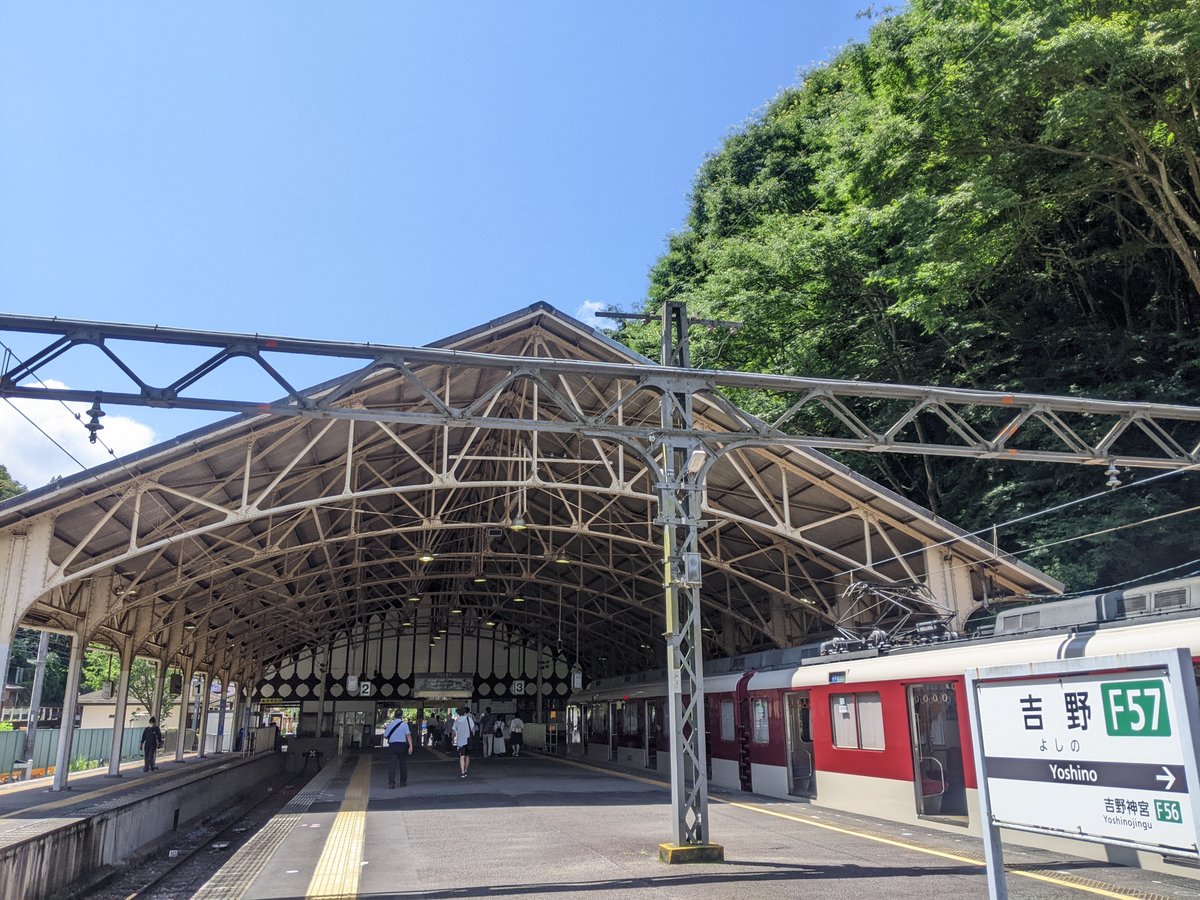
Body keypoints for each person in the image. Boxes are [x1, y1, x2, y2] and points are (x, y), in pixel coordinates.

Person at [382, 710, 414, 788]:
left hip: (393, 746)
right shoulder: (404, 725)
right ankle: (403, 782)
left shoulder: (390, 725)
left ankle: (391, 783)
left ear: (394, 715)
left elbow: (385, 735)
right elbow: (408, 735)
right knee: (403, 764)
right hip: (402, 746)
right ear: (401, 715)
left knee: (392, 765)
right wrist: (411, 746)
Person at [452, 706, 477, 778]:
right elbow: (473, 730)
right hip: (468, 741)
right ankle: (466, 770)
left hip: (460, 742)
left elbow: (454, 732)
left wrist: (452, 739)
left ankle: (462, 772)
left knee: (461, 756)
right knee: (467, 756)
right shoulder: (469, 719)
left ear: (458, 713)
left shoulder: (456, 721)